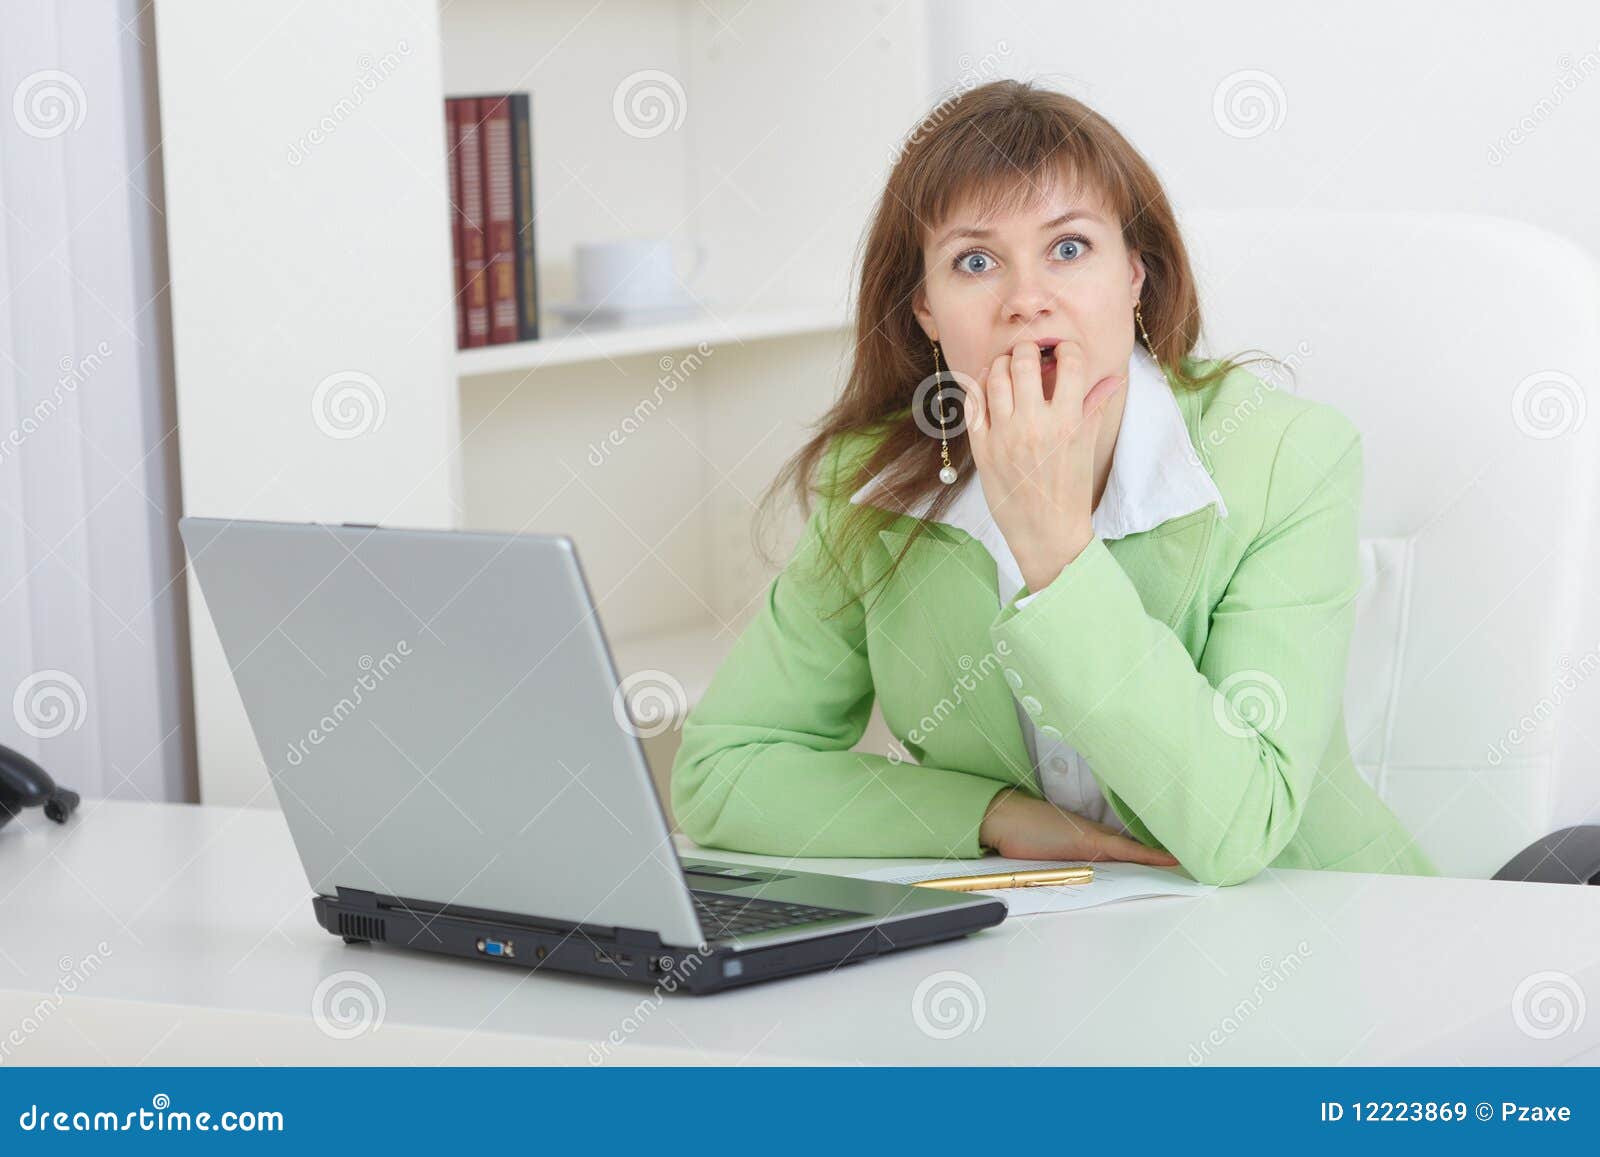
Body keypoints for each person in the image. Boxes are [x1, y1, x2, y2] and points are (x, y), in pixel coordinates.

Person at [670, 79, 1437, 887]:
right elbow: (723, 772)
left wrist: (1057, 550)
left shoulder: (1287, 457)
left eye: (1069, 249)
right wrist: (991, 816)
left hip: (1319, 932)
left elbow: (1242, 828)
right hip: (1049, 954)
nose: (1028, 300)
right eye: (976, 261)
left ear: (1136, 274)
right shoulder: (873, 488)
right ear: (926, 309)